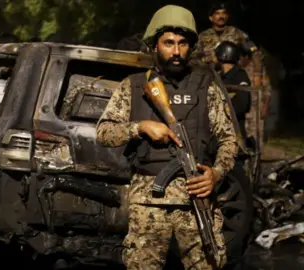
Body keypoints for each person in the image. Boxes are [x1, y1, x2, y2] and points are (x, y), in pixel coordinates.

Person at [96, 5, 238, 269]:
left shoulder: (205, 85)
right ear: (154, 45)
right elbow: (104, 132)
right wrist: (140, 127)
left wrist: (216, 174)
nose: (176, 52)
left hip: (197, 202)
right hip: (148, 204)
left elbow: (229, 140)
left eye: (183, 44)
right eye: (169, 43)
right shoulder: (134, 85)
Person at [196, 2, 263, 88]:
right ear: (210, 18)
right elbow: (194, 57)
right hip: (210, 78)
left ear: (228, 16)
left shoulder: (237, 33)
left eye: (224, 13)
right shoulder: (202, 36)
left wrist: (257, 74)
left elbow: (254, 51)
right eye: (217, 13)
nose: (221, 16)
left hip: (233, 77)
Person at [215, 41, 251, 142]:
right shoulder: (219, 76)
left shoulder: (240, 76)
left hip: (235, 132)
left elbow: (243, 104)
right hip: (220, 130)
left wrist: (220, 109)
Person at [240, 42, 272, 148]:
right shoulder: (235, 69)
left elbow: (267, 88)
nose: (240, 60)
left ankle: (256, 161)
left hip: (255, 111)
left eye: (241, 57)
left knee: (257, 139)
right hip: (241, 111)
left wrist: (265, 106)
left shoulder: (257, 69)